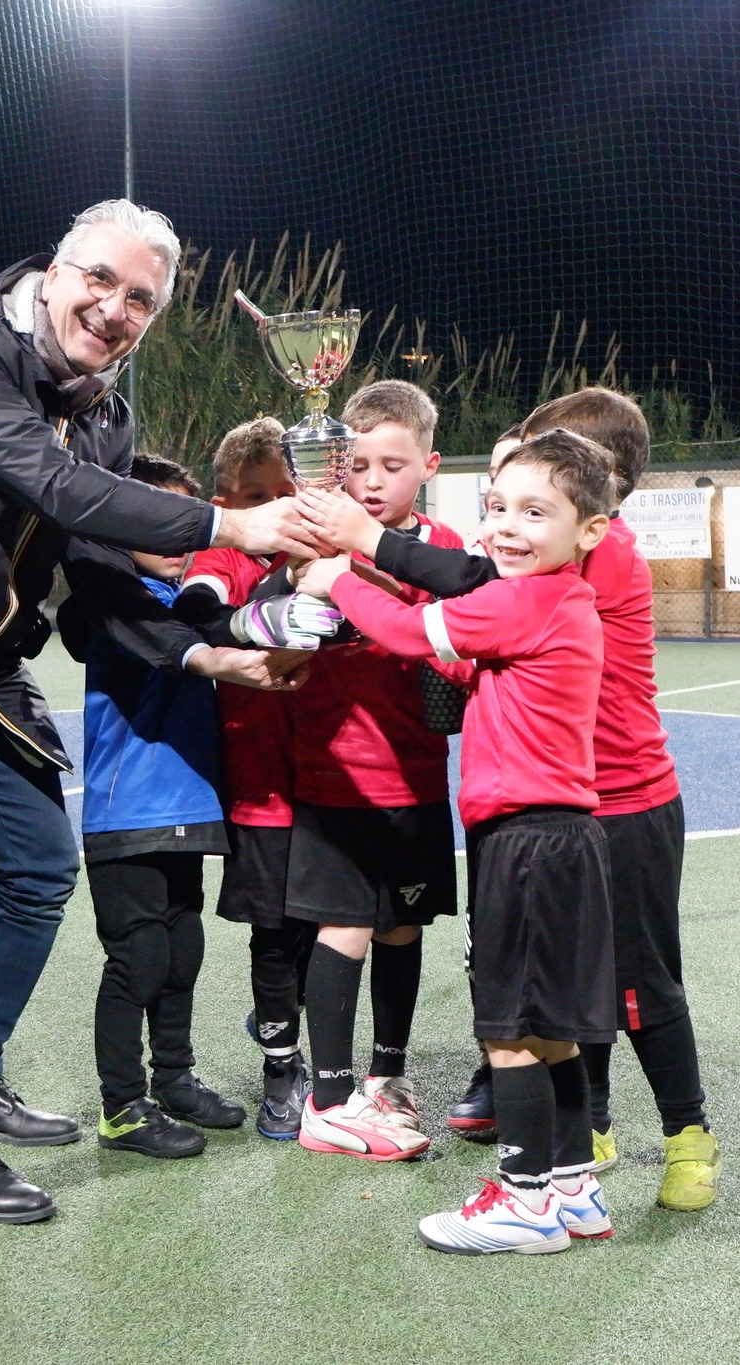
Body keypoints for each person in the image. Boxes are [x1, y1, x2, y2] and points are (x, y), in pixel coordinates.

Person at [0, 198, 319, 1225]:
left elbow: (88, 563)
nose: (114, 309)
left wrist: (220, 654)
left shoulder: (107, 413)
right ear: (54, 269)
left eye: (141, 301)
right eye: (100, 281)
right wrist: (232, 521)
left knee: (36, 861)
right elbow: (55, 489)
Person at [302, 387, 719, 1210]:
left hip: (619, 800)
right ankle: (580, 1139)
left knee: (636, 989)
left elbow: (461, 582)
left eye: (535, 495)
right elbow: (466, 616)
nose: (509, 518)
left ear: (596, 491)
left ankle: (685, 1136)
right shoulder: (551, 559)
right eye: (502, 497)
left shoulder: (597, 557)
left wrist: (363, 549)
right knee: (574, 993)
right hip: (564, 802)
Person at [302, 429, 618, 1256]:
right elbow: (463, 659)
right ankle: (572, 1186)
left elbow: (417, 639)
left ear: (589, 530)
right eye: (498, 508)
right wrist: (388, 595)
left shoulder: (528, 599)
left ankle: (523, 1199)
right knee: (551, 1027)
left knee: (509, 1027)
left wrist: (340, 577)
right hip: (563, 840)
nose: (507, 528)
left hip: (526, 842)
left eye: (535, 512)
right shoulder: (558, 604)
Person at [279, 381, 463, 1164]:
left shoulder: (444, 549)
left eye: (394, 463)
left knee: (401, 924)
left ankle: (386, 1077)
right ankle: (327, 1096)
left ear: (429, 463)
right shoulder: (314, 542)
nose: (375, 479)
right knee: (344, 924)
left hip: (417, 775)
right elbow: (276, 610)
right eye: (359, 463)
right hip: (337, 775)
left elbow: (449, 641)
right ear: (336, 464)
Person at [58, 455, 260, 1159]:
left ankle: (174, 1077)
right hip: (125, 814)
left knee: (182, 951)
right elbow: (87, 622)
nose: (175, 537)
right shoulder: (110, 600)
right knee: (139, 958)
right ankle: (121, 1106)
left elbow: (226, 619)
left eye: (183, 522)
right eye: (154, 522)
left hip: (190, 802)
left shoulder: (189, 598)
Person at [173, 419, 318, 1139]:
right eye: (254, 495)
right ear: (228, 500)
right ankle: (281, 1064)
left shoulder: (328, 552)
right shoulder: (221, 555)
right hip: (259, 787)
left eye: (284, 492)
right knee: (272, 932)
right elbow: (198, 612)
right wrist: (270, 620)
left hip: (330, 784)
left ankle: (326, 1057)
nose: (273, 507)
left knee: (323, 932)